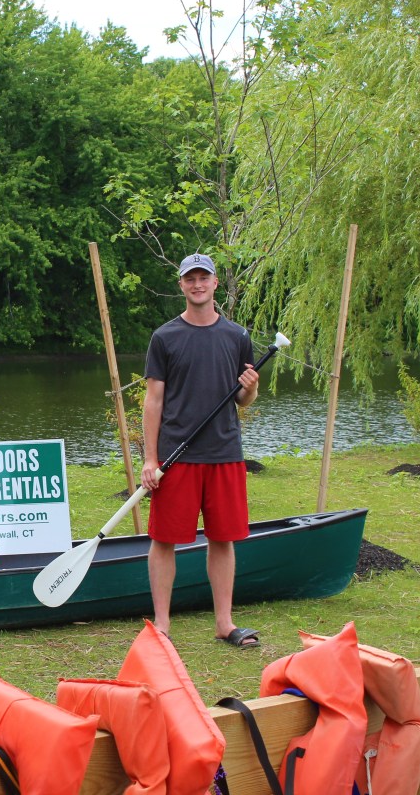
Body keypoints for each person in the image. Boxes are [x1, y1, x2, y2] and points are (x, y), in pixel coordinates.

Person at [140, 253, 261, 648]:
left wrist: (252, 387)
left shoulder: (237, 336)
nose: (197, 284)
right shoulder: (165, 337)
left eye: (203, 278)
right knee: (164, 539)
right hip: (177, 456)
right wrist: (149, 458)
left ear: (214, 285)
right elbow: (153, 402)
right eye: (190, 279)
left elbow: (241, 400)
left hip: (224, 453)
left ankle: (225, 624)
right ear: (182, 285)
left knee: (222, 539)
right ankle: (161, 625)